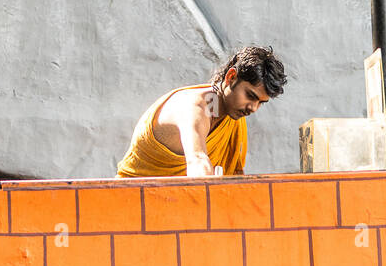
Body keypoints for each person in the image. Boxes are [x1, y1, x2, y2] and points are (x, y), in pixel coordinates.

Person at [116, 45, 287, 178]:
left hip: (179, 211)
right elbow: (197, 161)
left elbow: (234, 177)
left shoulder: (228, 112)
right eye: (250, 96)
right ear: (231, 77)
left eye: (261, 103)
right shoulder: (195, 107)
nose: (253, 108)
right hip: (132, 207)